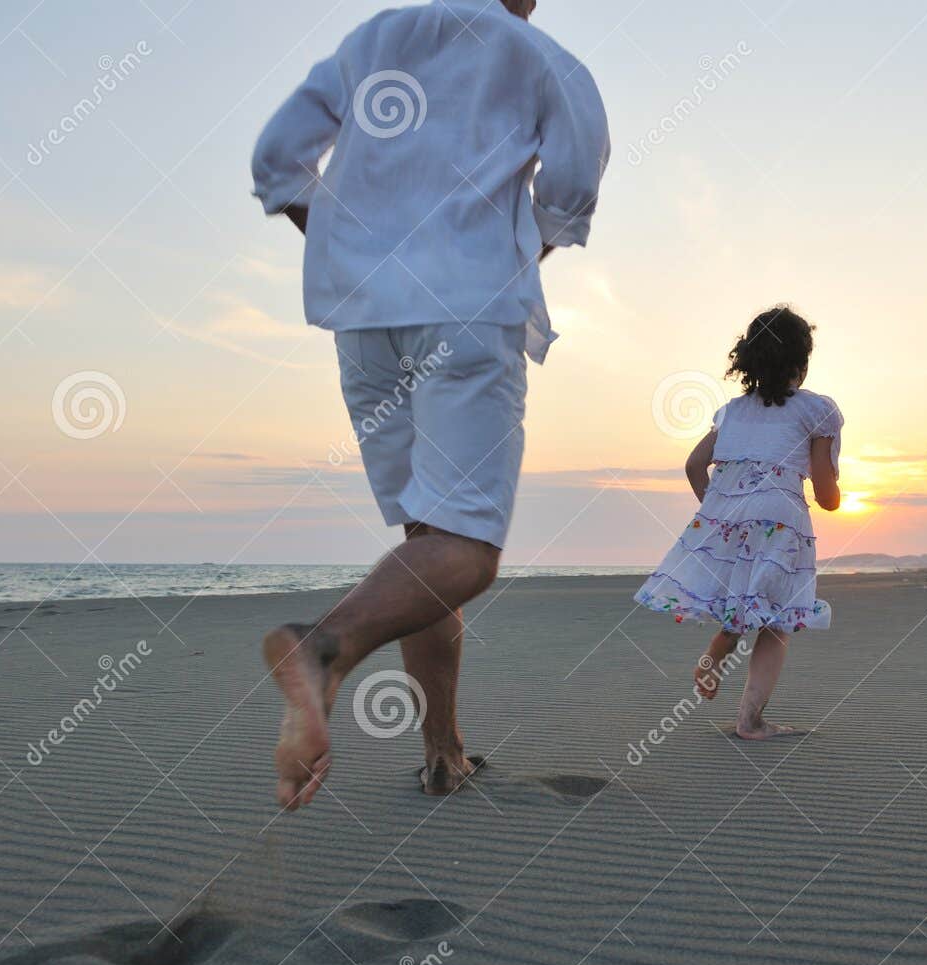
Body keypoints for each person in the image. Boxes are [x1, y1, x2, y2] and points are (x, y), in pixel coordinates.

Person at [250, 0, 610, 810]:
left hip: (365, 325)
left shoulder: (376, 37)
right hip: (465, 314)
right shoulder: (539, 57)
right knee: (466, 547)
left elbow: (277, 160)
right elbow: (573, 189)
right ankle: (321, 649)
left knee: (426, 540)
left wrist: (361, 252)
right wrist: (498, 259)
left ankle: (442, 750)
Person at [635, 306, 844, 739]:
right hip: (782, 520)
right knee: (778, 621)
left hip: (729, 518)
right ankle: (750, 719)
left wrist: (721, 514)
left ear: (748, 359)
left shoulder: (730, 412)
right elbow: (827, 497)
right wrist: (832, 491)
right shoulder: (817, 410)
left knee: (745, 595)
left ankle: (726, 638)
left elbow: (694, 465)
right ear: (802, 362)